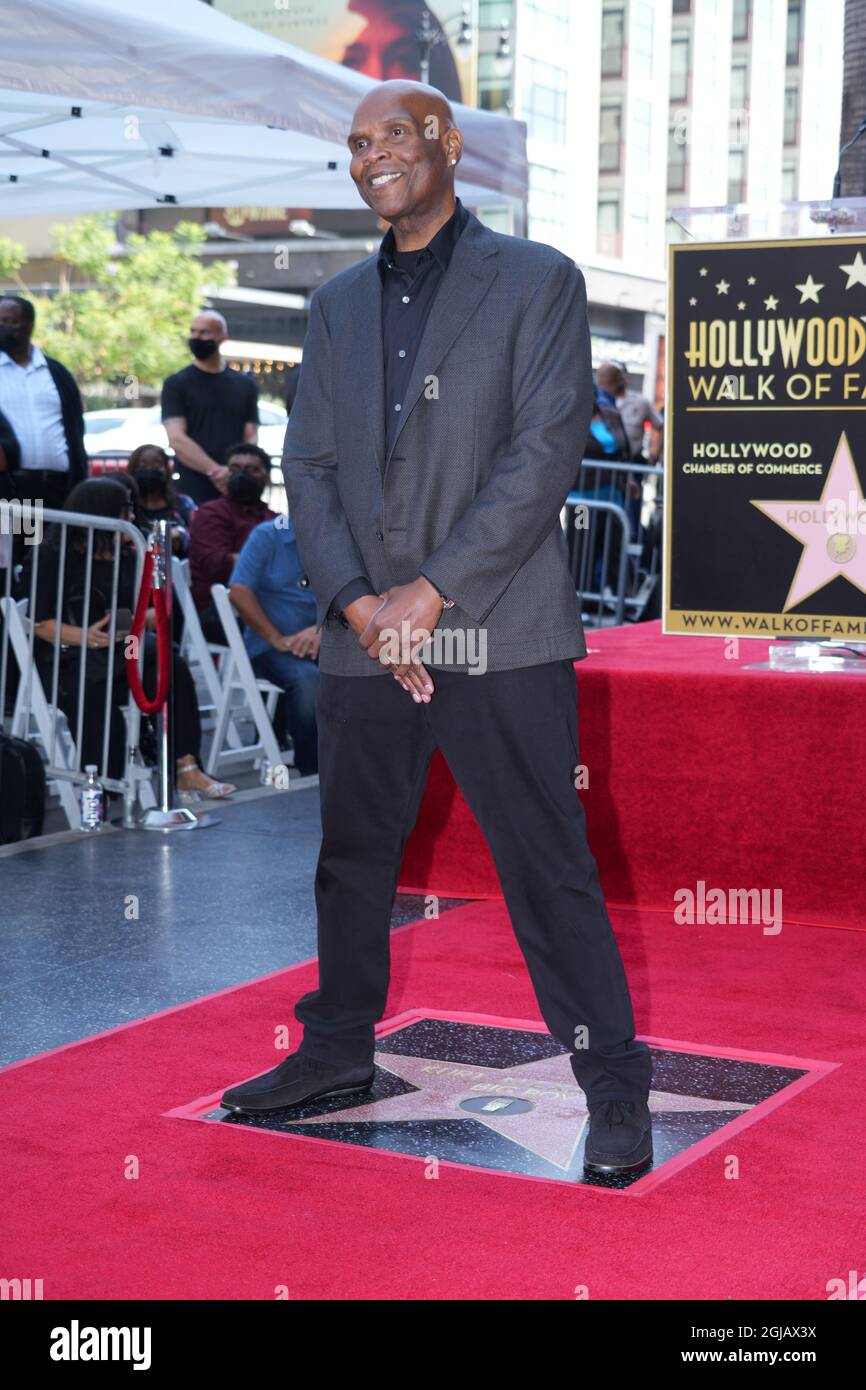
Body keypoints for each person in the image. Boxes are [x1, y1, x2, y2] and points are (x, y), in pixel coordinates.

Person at [223, 80, 653, 1178]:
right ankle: (332, 1052)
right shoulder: (331, 306)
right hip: (369, 623)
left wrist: (434, 593)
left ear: (447, 146)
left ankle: (610, 1083)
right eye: (356, 144)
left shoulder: (538, 280)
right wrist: (362, 602)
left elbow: (545, 450)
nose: (372, 157)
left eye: (394, 136)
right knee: (353, 857)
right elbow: (307, 467)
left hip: (495, 626)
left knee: (542, 860)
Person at [32, 477, 234, 799]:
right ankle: (101, 789)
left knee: (172, 666)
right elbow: (38, 622)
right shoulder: (53, 556)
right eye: (124, 509)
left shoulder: (129, 555)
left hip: (123, 649)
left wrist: (128, 624)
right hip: (67, 657)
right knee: (95, 691)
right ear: (100, 511)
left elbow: (157, 610)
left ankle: (186, 767)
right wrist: (88, 636)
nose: (130, 518)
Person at [229, 517, 320, 777]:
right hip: (269, 647)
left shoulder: (335, 536)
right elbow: (238, 591)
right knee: (306, 680)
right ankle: (313, 769)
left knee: (371, 667)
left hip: (327, 638)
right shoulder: (267, 536)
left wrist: (323, 630)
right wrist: (276, 639)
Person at [0, 295, 89, 515]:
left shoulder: (56, 373)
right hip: (11, 489)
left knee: (54, 548)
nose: (2, 327)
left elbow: (75, 428)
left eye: (8, 321)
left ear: (28, 325)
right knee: (22, 548)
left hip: (57, 487)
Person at [161, 310, 259, 506]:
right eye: (193, 331)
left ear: (222, 338)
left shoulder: (246, 385)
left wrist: (236, 472)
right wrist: (217, 471)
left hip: (236, 488)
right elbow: (177, 439)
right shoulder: (176, 383)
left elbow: (251, 436)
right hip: (191, 487)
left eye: (204, 332)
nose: (196, 337)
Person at [188, 443, 275, 643]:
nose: (242, 474)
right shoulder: (211, 513)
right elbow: (216, 563)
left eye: (252, 469)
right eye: (234, 469)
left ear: (267, 478)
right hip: (220, 612)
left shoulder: (273, 519)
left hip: (270, 603)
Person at [126, 444, 196, 556]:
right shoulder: (127, 505)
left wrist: (181, 534)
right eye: (142, 465)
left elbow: (198, 535)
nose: (149, 469)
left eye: (156, 464)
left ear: (167, 470)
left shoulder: (183, 503)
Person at [596, 359, 662, 463]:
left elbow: (659, 425)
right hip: (604, 461)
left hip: (632, 462)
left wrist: (653, 455)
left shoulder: (640, 402)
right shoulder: (598, 401)